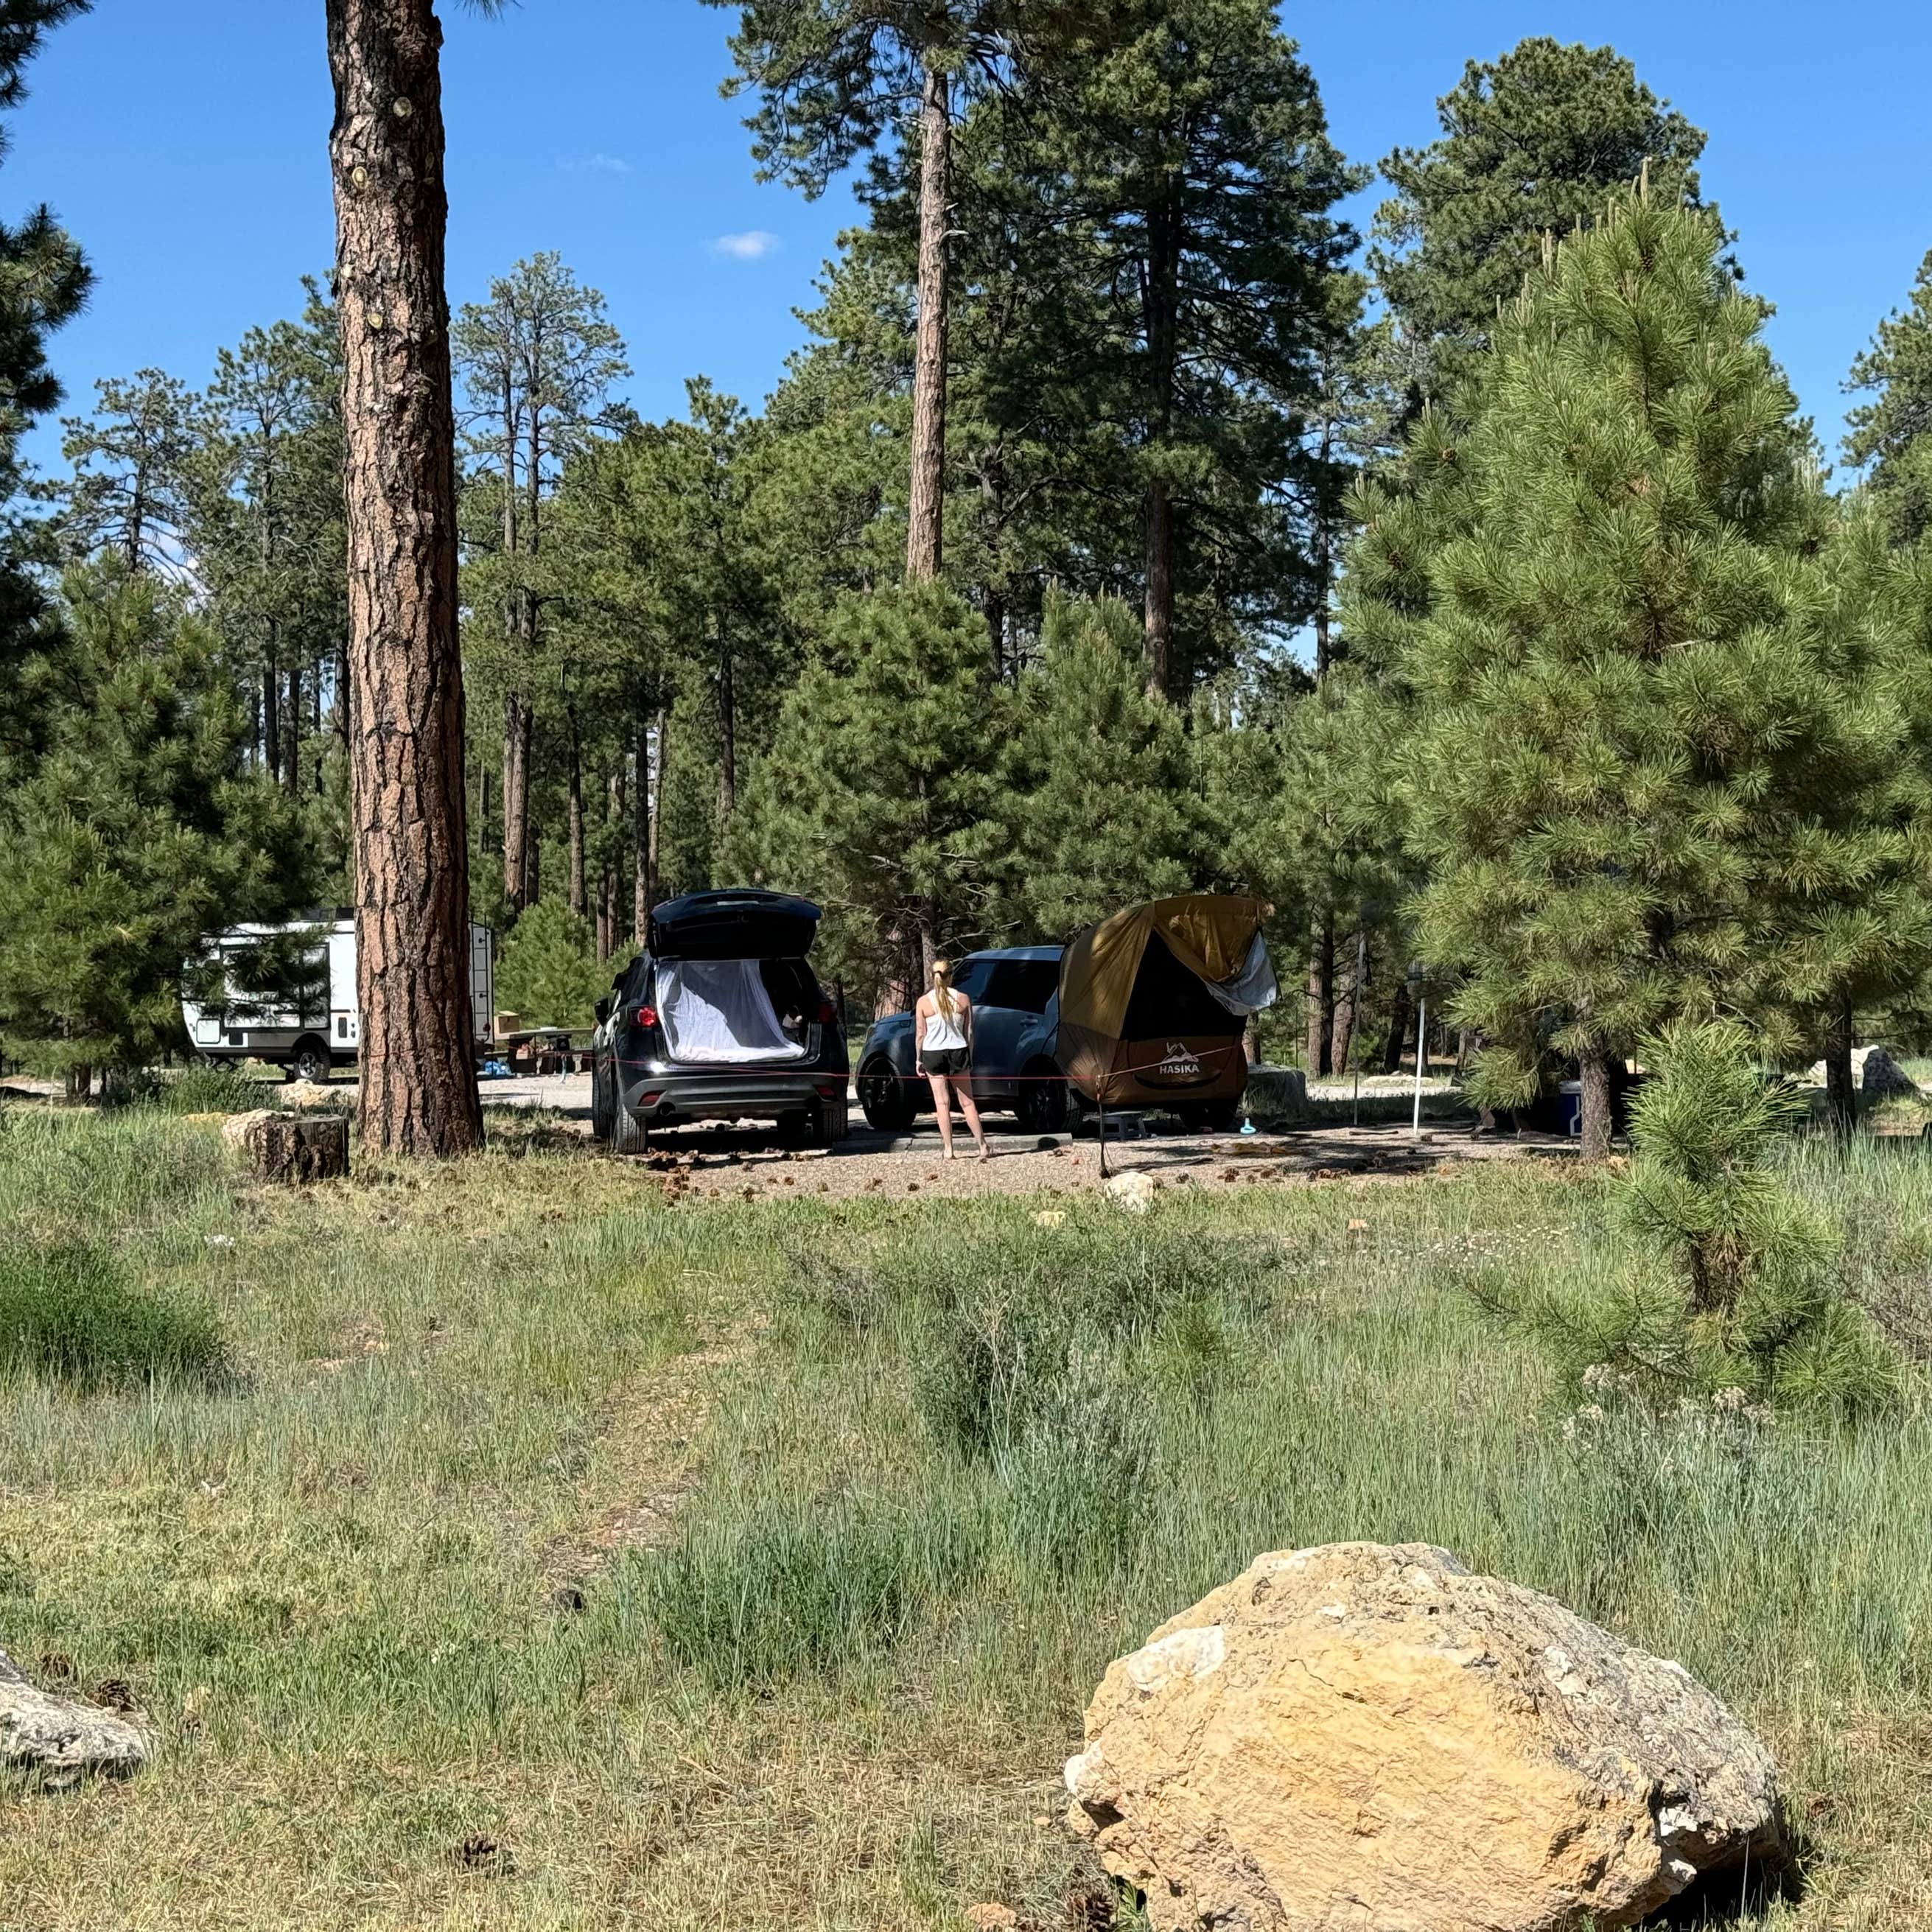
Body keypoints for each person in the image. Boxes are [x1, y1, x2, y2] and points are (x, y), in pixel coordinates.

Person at [914, 959, 988, 1161]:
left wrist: (918, 1060)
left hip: (933, 1053)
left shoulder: (923, 1002)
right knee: (967, 1103)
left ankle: (949, 1149)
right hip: (958, 1051)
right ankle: (982, 1146)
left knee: (942, 1103)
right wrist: (969, 1056)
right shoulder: (963, 999)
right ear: (951, 976)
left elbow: (921, 1034)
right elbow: (970, 1033)